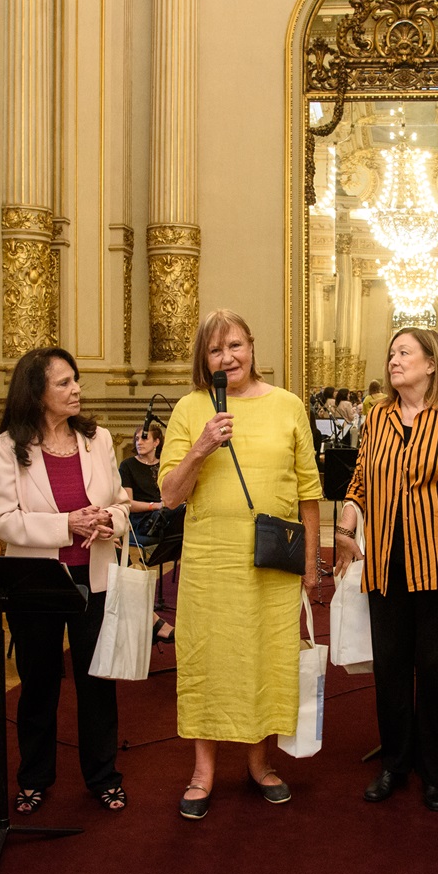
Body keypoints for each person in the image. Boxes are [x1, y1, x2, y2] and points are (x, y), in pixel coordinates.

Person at [159, 309, 323, 820]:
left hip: (273, 561)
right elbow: (169, 495)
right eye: (215, 350)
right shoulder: (189, 409)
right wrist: (202, 445)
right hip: (210, 560)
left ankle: (260, 764)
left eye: (235, 345)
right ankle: (202, 772)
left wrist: (313, 563)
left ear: (252, 346)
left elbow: (308, 492)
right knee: (208, 660)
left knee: (267, 657)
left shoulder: (288, 405)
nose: (227, 357)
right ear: (203, 361)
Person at [333, 327, 438, 813]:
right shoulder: (380, 415)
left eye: (404, 352)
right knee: (389, 668)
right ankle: (394, 763)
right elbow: (362, 478)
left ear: (432, 363)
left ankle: (436, 771)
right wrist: (346, 524)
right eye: (390, 353)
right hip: (386, 561)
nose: (394, 360)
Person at [0, 347, 131, 815]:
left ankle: (103, 776)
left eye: (76, 380)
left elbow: (121, 501)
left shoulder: (99, 440)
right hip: (39, 581)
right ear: (37, 392)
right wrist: (67, 524)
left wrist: (110, 520)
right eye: (64, 383)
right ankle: (33, 777)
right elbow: (4, 521)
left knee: (97, 682)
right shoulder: (7, 447)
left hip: (96, 576)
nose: (76, 390)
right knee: (39, 683)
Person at [119, 420, 183, 643]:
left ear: (157, 442)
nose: (139, 442)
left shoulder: (164, 464)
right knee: (171, 511)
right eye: (136, 438)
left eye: (144, 438)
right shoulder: (128, 465)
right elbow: (126, 503)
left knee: (184, 509)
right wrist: (156, 506)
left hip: (165, 517)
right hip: (141, 520)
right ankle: (153, 622)